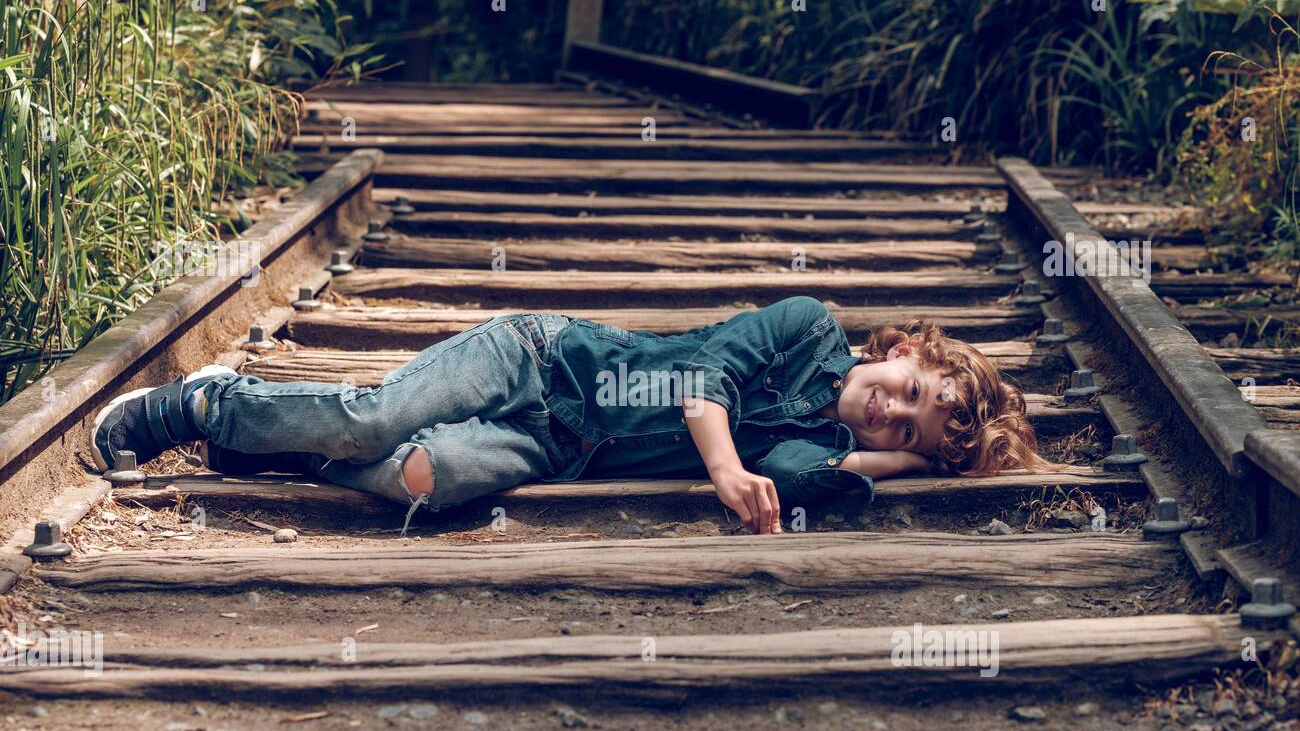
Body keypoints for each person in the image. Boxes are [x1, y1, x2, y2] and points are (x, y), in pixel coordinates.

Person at [90, 297, 1050, 535]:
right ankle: (202, 401)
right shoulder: (807, 329)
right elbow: (707, 372)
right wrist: (720, 466)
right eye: (913, 394)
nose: (893, 415)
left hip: (553, 442)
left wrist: (915, 469)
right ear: (903, 352)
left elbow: (804, 483)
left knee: (421, 482)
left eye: (909, 433)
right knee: (373, 417)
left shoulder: (824, 443)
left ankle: (269, 452)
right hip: (540, 359)